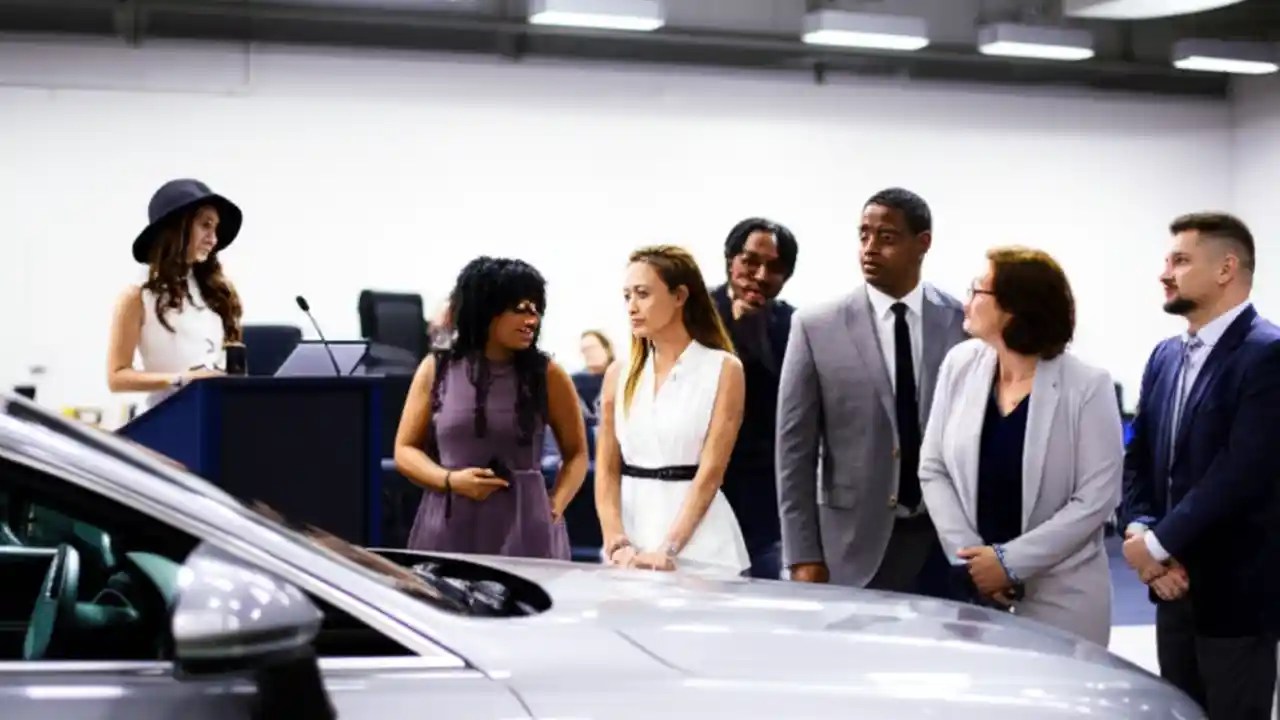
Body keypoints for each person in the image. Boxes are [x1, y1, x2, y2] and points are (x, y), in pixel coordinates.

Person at [918, 247, 1122, 646]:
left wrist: (1008, 564)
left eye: (977, 291)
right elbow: (933, 466)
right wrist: (974, 560)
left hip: (1063, 598)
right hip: (972, 593)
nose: (966, 301)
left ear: (1013, 308)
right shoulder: (960, 364)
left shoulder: (1087, 385)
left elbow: (1096, 499)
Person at [1121, 212, 1280, 719]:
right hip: (1169, 588)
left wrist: (1155, 546)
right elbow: (1140, 458)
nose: (1165, 273)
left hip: (1234, 595)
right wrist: (1141, 529)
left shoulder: (1268, 355)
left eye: (1181, 260)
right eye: (1167, 261)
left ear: (1226, 268)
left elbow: (1240, 473)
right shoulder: (1164, 356)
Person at [777, 187, 967, 592]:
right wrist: (802, 554)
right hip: (853, 542)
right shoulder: (817, 326)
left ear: (923, 243)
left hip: (947, 541)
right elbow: (794, 451)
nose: (870, 247)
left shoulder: (962, 324)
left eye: (886, 237)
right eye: (863, 235)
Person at [394, 257, 589, 559]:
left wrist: (554, 505)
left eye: (536, 310)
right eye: (520, 309)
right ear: (485, 309)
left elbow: (576, 453)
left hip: (526, 530)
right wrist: (450, 481)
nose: (531, 320)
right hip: (446, 526)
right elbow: (405, 450)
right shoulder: (437, 368)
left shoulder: (548, 374)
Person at [595, 245, 750, 577]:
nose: (632, 307)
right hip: (626, 547)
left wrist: (669, 547)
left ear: (679, 296)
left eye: (642, 294)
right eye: (627, 296)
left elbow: (711, 471)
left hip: (700, 545)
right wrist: (615, 540)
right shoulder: (618, 374)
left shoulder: (723, 368)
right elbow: (606, 469)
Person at [710, 217, 798, 580]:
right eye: (750, 262)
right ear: (730, 259)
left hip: (763, 498)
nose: (761, 275)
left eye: (775, 268)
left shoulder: (793, 325)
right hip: (694, 488)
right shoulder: (692, 312)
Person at [107, 179, 244, 411]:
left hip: (215, 416)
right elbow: (117, 376)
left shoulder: (217, 294)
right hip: (164, 422)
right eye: (205, 225)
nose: (213, 239)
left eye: (215, 228)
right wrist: (180, 379)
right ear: (177, 228)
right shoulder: (138, 296)